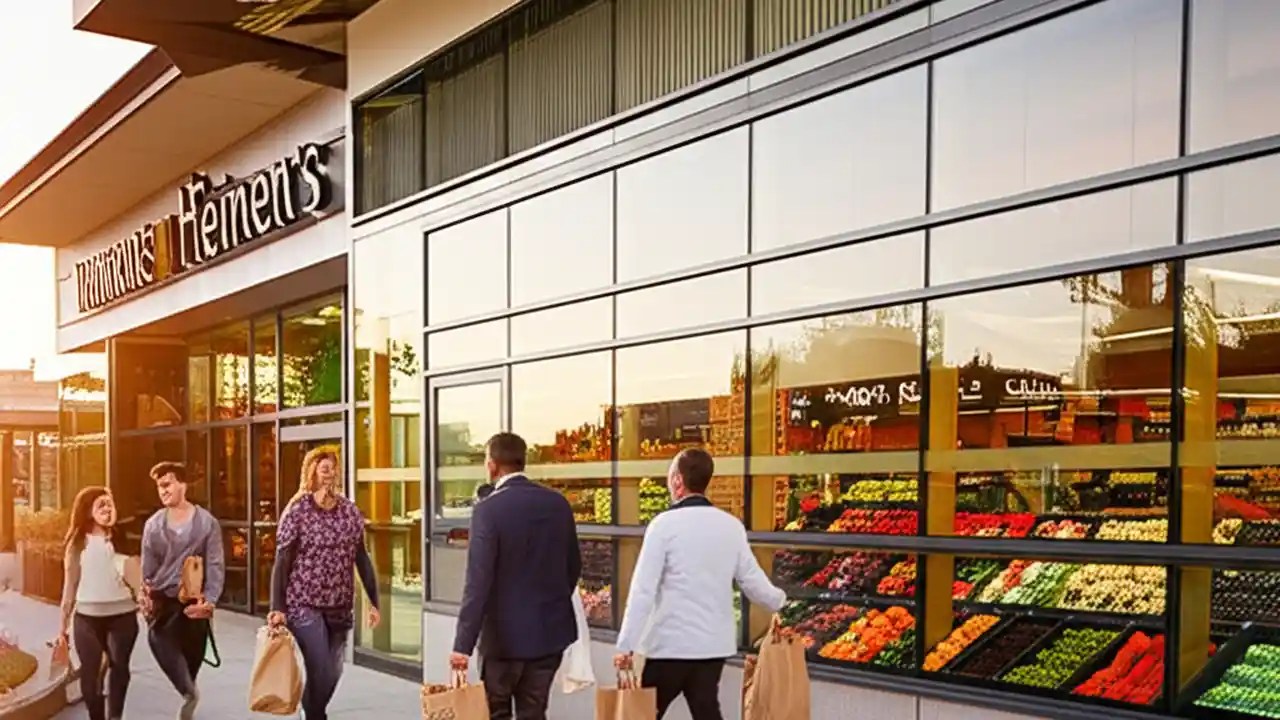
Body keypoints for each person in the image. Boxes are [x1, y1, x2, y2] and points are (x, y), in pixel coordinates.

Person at [614, 448, 787, 720]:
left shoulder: (663, 526)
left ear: (678, 481)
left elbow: (643, 591)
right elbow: (752, 580)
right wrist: (780, 602)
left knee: (643, 714)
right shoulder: (730, 526)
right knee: (706, 710)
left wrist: (626, 644)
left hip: (670, 645)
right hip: (712, 647)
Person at [451, 432, 581, 720]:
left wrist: (463, 645)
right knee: (534, 712)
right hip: (548, 636)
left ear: (492, 466)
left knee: (496, 713)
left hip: (503, 641)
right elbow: (573, 566)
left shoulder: (488, 510)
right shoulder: (557, 504)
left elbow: (478, 582)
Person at [267, 448, 381, 720]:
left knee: (334, 672)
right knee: (321, 667)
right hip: (304, 603)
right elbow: (282, 561)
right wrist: (276, 606)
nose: (330, 472)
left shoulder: (349, 512)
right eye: (324, 467)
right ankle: (316, 716)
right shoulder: (298, 510)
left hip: (340, 605)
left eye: (333, 467)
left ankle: (311, 712)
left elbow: (361, 557)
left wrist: (374, 601)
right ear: (312, 472)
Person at [140, 461, 224, 720]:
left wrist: (209, 601)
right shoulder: (154, 526)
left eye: (167, 484)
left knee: (190, 667)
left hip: (193, 608)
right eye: (159, 487)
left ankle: (187, 709)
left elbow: (215, 565)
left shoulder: (206, 523)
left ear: (183, 484)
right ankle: (190, 696)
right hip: (164, 608)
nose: (163, 491)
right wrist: (146, 599)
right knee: (183, 680)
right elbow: (147, 572)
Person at [56, 487, 140, 720]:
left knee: (119, 667)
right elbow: (69, 586)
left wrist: (143, 597)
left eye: (110, 503)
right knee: (90, 677)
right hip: (86, 618)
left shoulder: (123, 538)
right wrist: (62, 627)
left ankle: (115, 717)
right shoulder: (77, 544)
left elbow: (136, 577)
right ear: (88, 511)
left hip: (123, 616)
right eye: (101, 504)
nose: (107, 508)